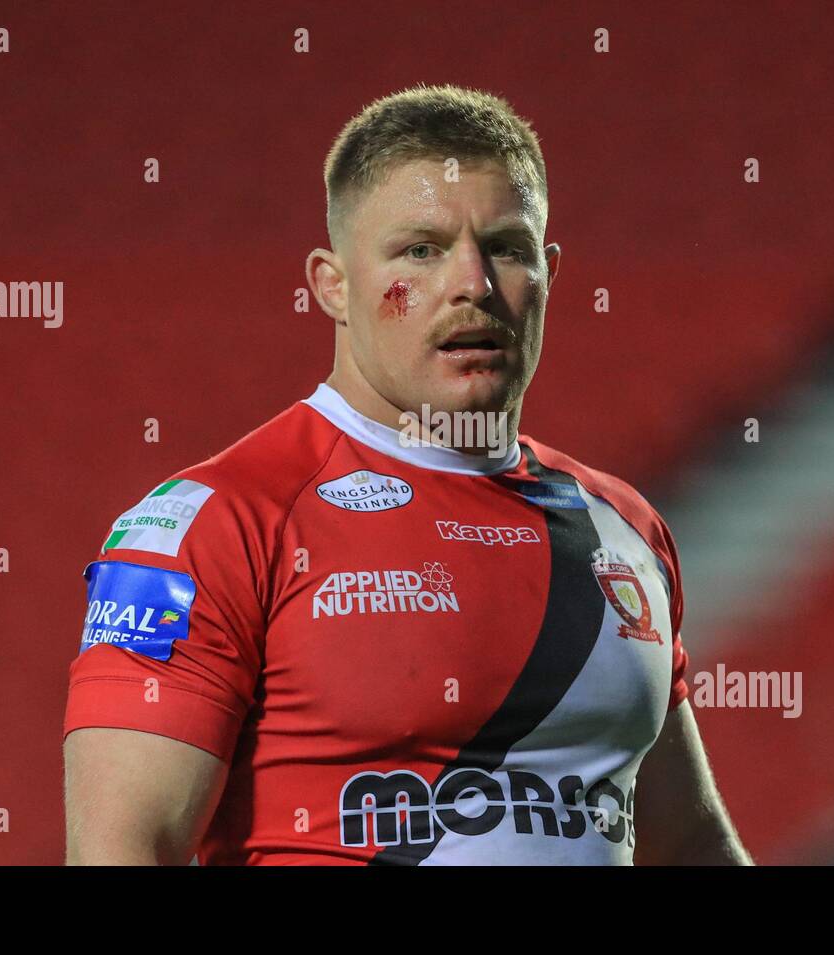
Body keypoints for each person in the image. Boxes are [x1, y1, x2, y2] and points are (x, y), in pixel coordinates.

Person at [63, 83, 751, 865]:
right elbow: (123, 850)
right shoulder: (212, 526)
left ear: (549, 272)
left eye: (507, 247)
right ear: (331, 285)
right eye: (420, 249)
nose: (474, 284)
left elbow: (691, 843)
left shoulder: (625, 527)